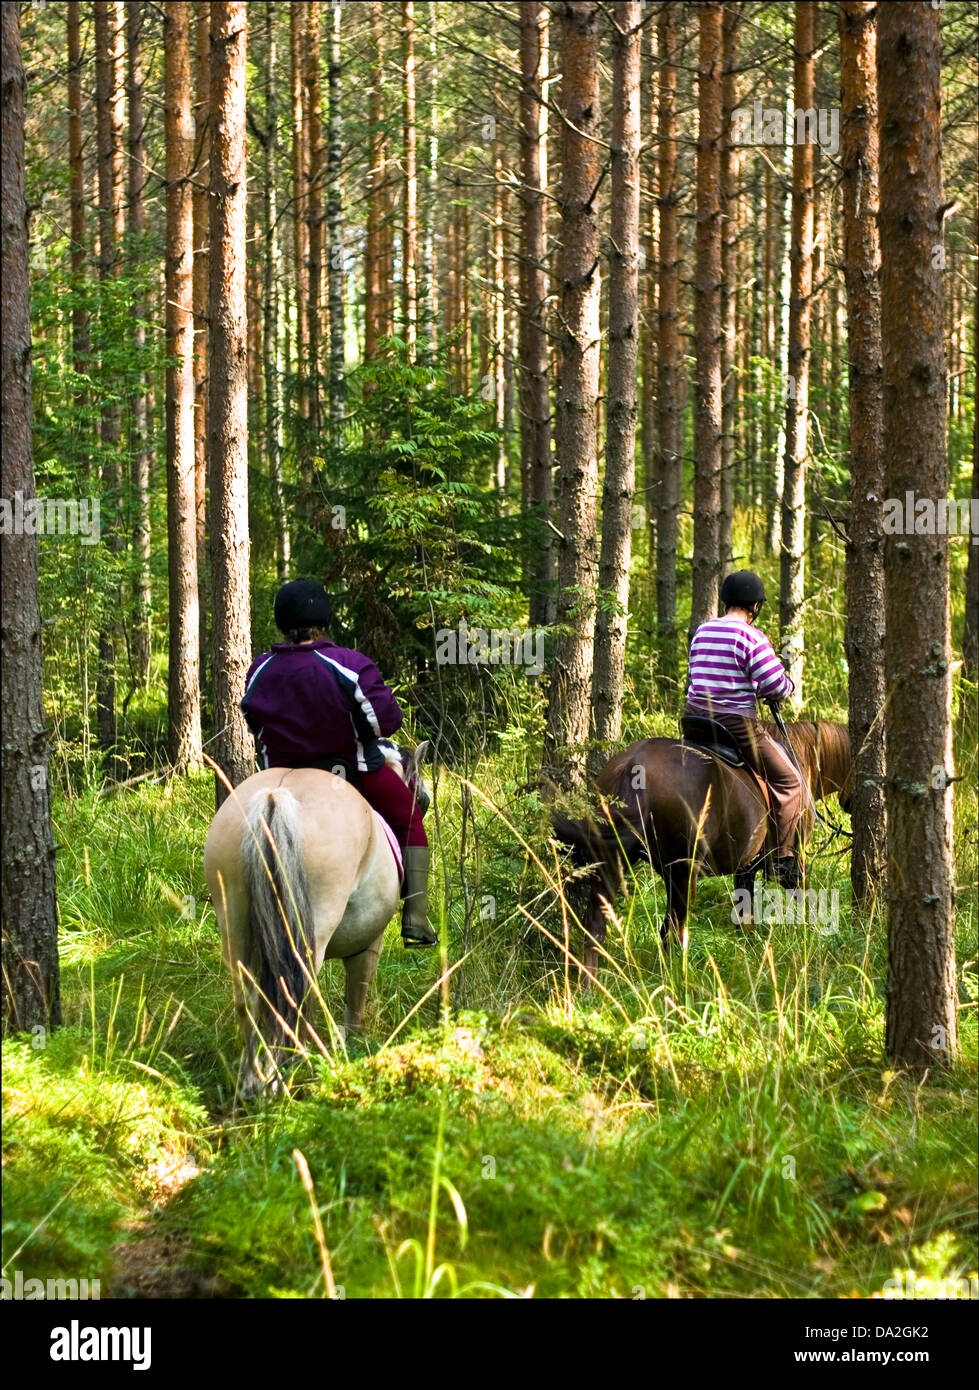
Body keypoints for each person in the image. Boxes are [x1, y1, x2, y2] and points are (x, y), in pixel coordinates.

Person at [240, 578, 436, 947]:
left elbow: (254, 721)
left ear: (281, 622)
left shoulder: (260, 669)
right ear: (325, 621)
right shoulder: (349, 665)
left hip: (276, 779)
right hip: (351, 774)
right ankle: (415, 918)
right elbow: (387, 722)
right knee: (409, 816)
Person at [684, 570, 804, 888]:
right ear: (754, 606)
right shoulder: (751, 636)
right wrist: (787, 686)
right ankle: (782, 858)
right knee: (789, 780)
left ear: (726, 601)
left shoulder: (702, 631)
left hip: (694, 720)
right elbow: (775, 685)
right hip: (733, 724)